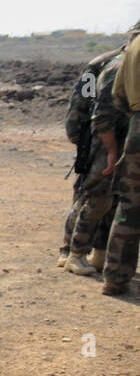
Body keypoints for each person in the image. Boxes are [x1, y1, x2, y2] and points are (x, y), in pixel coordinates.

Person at [61, 47, 125, 273]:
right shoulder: (110, 64)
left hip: (101, 132)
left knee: (102, 194)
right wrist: (79, 135)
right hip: (101, 134)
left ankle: (89, 251)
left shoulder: (103, 62)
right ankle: (74, 252)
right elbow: (84, 100)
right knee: (96, 195)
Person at [100, 23, 140, 297]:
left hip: (137, 129)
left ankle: (115, 277)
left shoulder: (133, 46)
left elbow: (118, 96)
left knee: (129, 207)